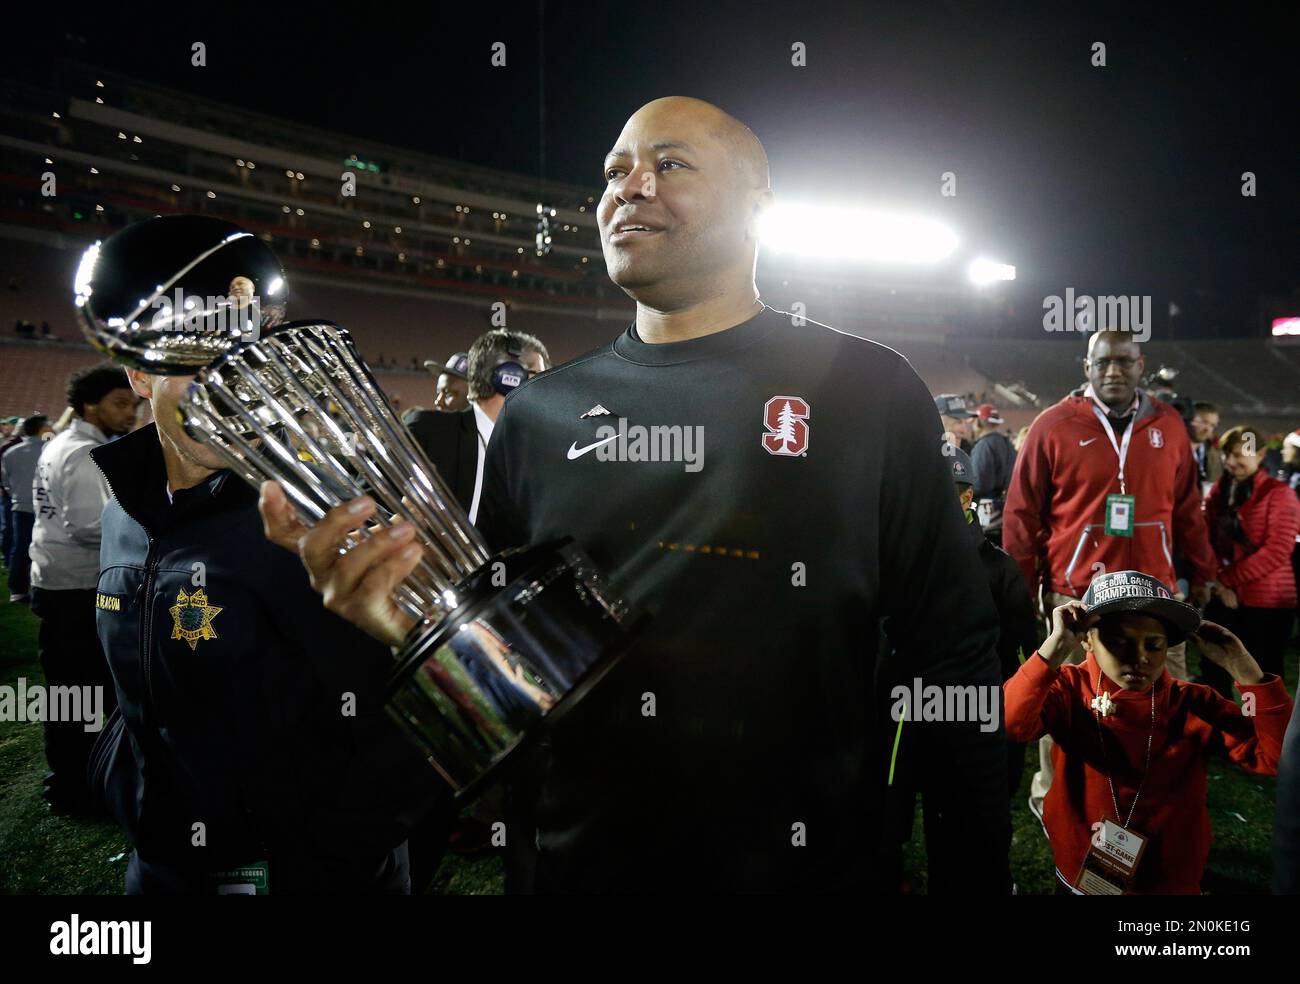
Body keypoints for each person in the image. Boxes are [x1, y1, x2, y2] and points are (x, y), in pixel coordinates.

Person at [262, 95, 1011, 893]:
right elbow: (506, 678)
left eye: (671, 164)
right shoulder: (538, 415)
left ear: (760, 207)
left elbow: (953, 656)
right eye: (615, 171)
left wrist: (974, 876)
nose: (632, 186)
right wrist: (407, 631)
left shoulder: (866, 388)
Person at [78, 214, 450, 893]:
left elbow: (417, 714)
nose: (225, 391)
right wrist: (124, 782)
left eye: (243, 366)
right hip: (161, 865)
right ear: (136, 375)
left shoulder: (321, 519)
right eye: (195, 366)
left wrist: (333, 855)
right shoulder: (124, 512)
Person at [1003, 328, 1220, 824]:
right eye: (1102, 363)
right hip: (1078, 592)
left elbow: (1188, 509)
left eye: (1124, 362)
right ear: (1086, 367)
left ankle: (1157, 795)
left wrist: (1203, 569)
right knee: (1068, 700)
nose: (1113, 372)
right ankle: (1053, 794)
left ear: (1142, 365)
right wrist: (1021, 583)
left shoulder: (1170, 425)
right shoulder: (1052, 424)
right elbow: (1022, 514)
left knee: (1167, 699)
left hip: (1157, 595)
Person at [1004, 570, 1292, 894]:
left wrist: (1246, 671)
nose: (1139, 658)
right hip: (1081, 866)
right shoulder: (1069, 688)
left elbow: (1277, 755)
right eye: (1119, 643)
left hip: (1169, 876)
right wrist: (1052, 652)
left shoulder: (1193, 702)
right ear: (1086, 640)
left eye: (1154, 645)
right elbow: (1012, 723)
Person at [29, 364, 137, 813]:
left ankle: (73, 781)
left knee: (73, 691)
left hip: (59, 580)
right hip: (74, 586)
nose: (130, 412)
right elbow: (88, 524)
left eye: (133, 403)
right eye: (120, 402)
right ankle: (76, 786)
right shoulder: (82, 452)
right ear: (91, 403)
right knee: (81, 691)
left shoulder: (71, 443)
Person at [1200, 425, 1299, 695]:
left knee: (1263, 675)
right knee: (1214, 670)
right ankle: (1220, 732)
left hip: (1268, 601)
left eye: (1239, 454)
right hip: (1224, 596)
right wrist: (1218, 585)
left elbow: (1278, 549)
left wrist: (1224, 580)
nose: (1231, 462)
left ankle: (1270, 734)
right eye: (1227, 455)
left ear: (1261, 455)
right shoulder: (1219, 492)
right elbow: (1204, 540)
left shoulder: (1279, 493)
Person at [407, 332, 548, 520]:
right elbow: (368, 506)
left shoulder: (534, 451)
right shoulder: (428, 431)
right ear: (508, 376)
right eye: (538, 374)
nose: (545, 385)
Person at [1, 414, 53, 601]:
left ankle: (17, 589)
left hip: (19, 507)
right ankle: (45, 587)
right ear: (42, 429)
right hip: (46, 508)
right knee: (47, 547)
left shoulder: (10, 452)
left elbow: (6, 483)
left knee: (20, 548)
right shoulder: (50, 450)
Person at [970, 403, 1016, 547]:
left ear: (978, 422)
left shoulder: (984, 445)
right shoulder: (1007, 444)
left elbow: (981, 484)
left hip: (986, 514)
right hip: (1005, 509)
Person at [1188, 401, 1222, 495]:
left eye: (1212, 425)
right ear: (1190, 420)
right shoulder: (1173, 450)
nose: (1208, 429)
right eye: (1204, 422)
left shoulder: (1216, 454)